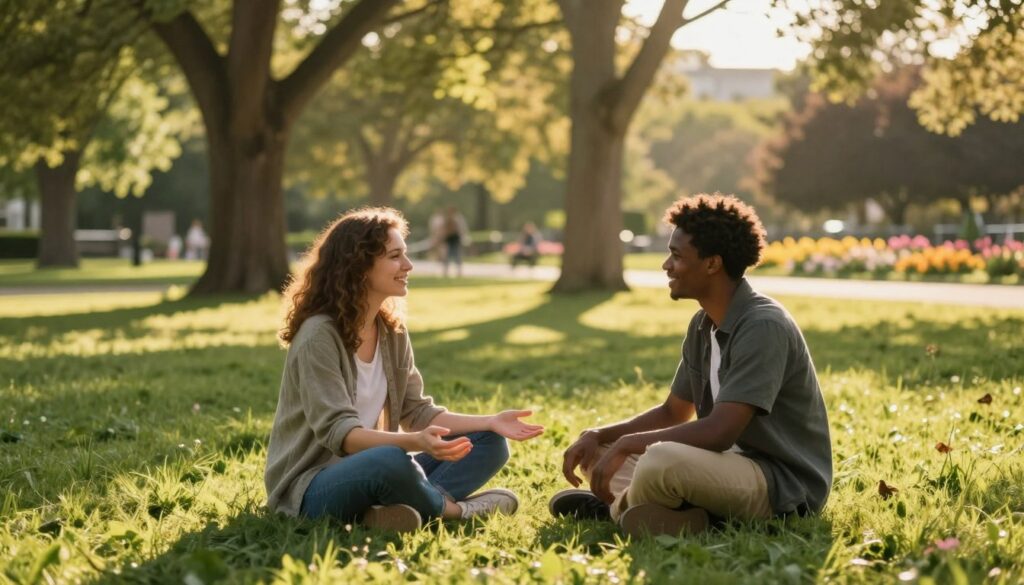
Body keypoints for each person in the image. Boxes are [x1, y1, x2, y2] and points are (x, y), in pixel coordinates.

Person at [549, 193, 832, 537]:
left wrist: (629, 444)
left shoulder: (762, 326)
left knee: (658, 459)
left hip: (780, 486)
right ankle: (677, 516)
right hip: (724, 468)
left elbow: (719, 431)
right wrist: (602, 436)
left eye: (676, 256)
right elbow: (673, 412)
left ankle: (617, 511)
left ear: (712, 264)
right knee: (604, 451)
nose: (666, 266)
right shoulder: (704, 323)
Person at [265, 207, 544, 531]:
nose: (408, 266)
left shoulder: (390, 331)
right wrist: (417, 444)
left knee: (489, 440)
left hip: (376, 469)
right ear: (359, 265)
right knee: (390, 458)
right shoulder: (318, 337)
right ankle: (453, 511)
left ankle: (389, 512)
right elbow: (342, 436)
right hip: (310, 489)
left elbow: (418, 412)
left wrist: (491, 422)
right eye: (395, 256)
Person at [440, 206, 469, 278]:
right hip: (449, 239)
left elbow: (460, 230)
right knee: (447, 256)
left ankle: (458, 272)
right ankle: (446, 272)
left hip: (455, 239)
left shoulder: (457, 219)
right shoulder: (447, 219)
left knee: (457, 256)